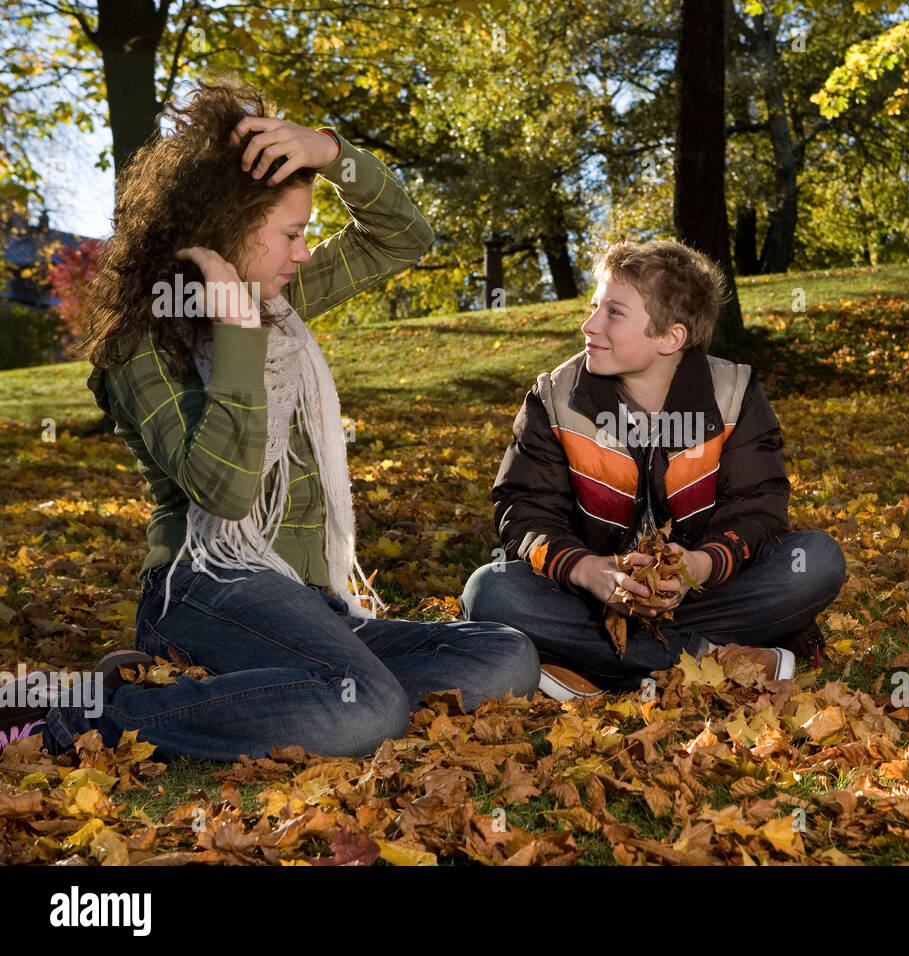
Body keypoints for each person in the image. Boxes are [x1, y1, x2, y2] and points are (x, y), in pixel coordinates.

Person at [0, 79, 538, 761]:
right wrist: (238, 334)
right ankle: (84, 715)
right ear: (226, 234)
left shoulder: (278, 299)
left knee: (503, 657)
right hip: (202, 591)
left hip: (306, 604)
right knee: (366, 709)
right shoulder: (141, 345)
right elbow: (223, 490)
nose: (305, 252)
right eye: (291, 234)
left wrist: (329, 152)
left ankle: (280, 691)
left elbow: (403, 236)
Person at [461, 240, 845, 700]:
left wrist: (698, 567)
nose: (590, 325)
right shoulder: (554, 396)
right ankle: (714, 660)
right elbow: (522, 511)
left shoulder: (735, 393)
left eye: (614, 313)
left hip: (703, 597)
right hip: (592, 600)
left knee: (817, 560)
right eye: (593, 307)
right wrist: (588, 571)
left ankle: (596, 669)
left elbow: (759, 508)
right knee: (489, 592)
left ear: (671, 338)